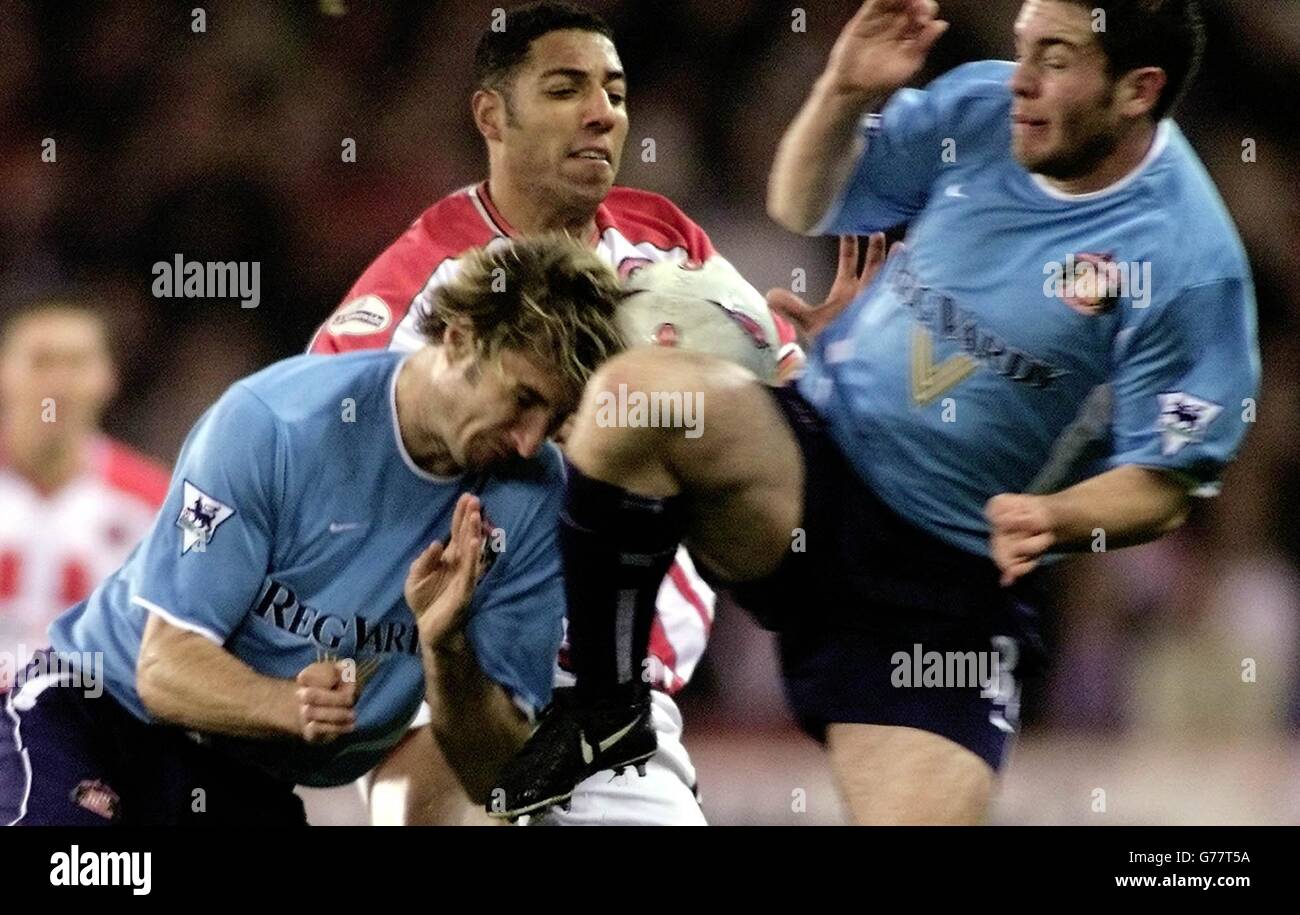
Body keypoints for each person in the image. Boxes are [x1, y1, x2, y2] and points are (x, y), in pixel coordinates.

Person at [490, 0, 1260, 824]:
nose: (1024, 81)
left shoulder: (1186, 260)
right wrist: (842, 92)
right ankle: (605, 710)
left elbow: (1167, 479)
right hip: (812, 466)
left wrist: (1059, 515)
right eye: (1025, 47)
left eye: (1059, 59)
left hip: (940, 587)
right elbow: (803, 203)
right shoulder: (982, 108)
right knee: (632, 398)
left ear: (1138, 89)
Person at [311, 0, 797, 826]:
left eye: (613, 91)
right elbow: (324, 459)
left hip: (618, 706)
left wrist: (826, 362)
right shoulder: (422, 280)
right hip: (449, 677)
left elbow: (782, 390)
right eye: (567, 88)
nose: (602, 113)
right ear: (492, 116)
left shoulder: (667, 242)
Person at [0, 237, 625, 825]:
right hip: (94, 716)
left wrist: (446, 647)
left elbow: (497, 773)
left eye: (556, 416)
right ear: (459, 340)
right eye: (522, 399)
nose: (530, 440)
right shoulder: (276, 424)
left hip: (241, 776)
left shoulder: (535, 500)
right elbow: (162, 668)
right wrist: (286, 703)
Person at [0, 299, 168, 689]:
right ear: (5, 371)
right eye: (41, 361)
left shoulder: (153, 503)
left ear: (109, 378)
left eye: (76, 363)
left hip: (88, 734)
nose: (57, 384)